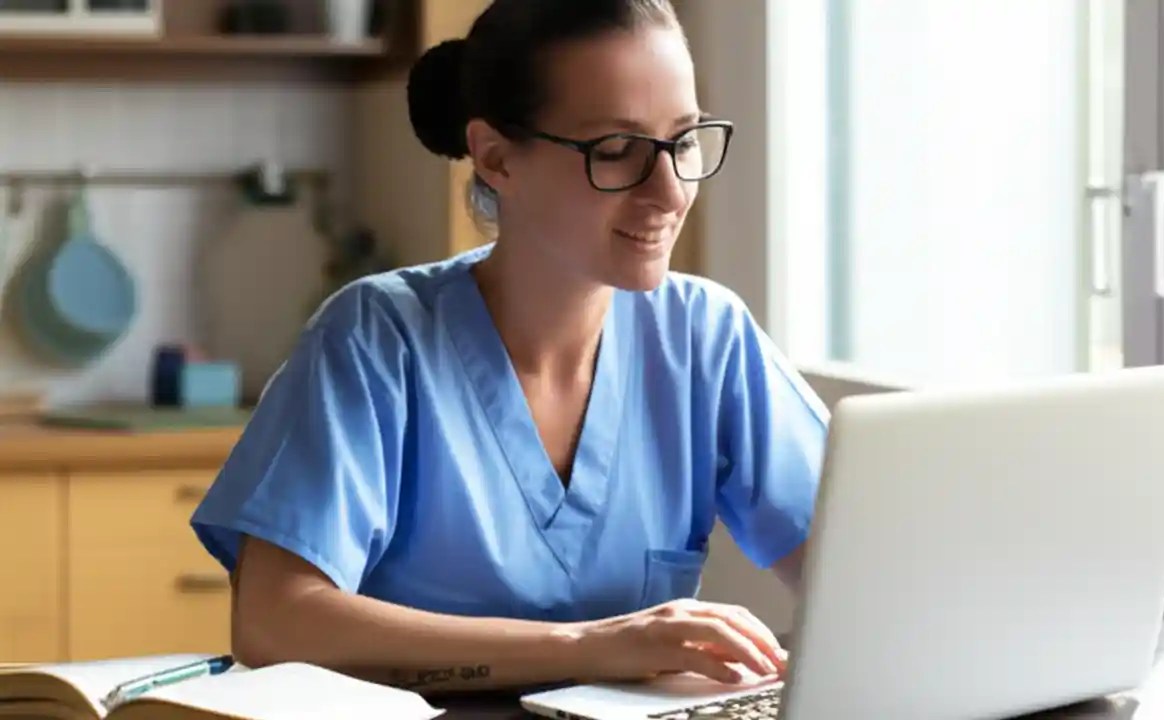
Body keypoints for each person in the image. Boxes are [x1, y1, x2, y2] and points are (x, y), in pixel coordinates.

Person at [190, 0, 829, 697]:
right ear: (496, 159)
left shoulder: (707, 339)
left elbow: (860, 574)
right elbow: (276, 622)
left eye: (681, 142)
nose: (669, 192)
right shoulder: (378, 340)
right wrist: (588, 647)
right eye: (615, 151)